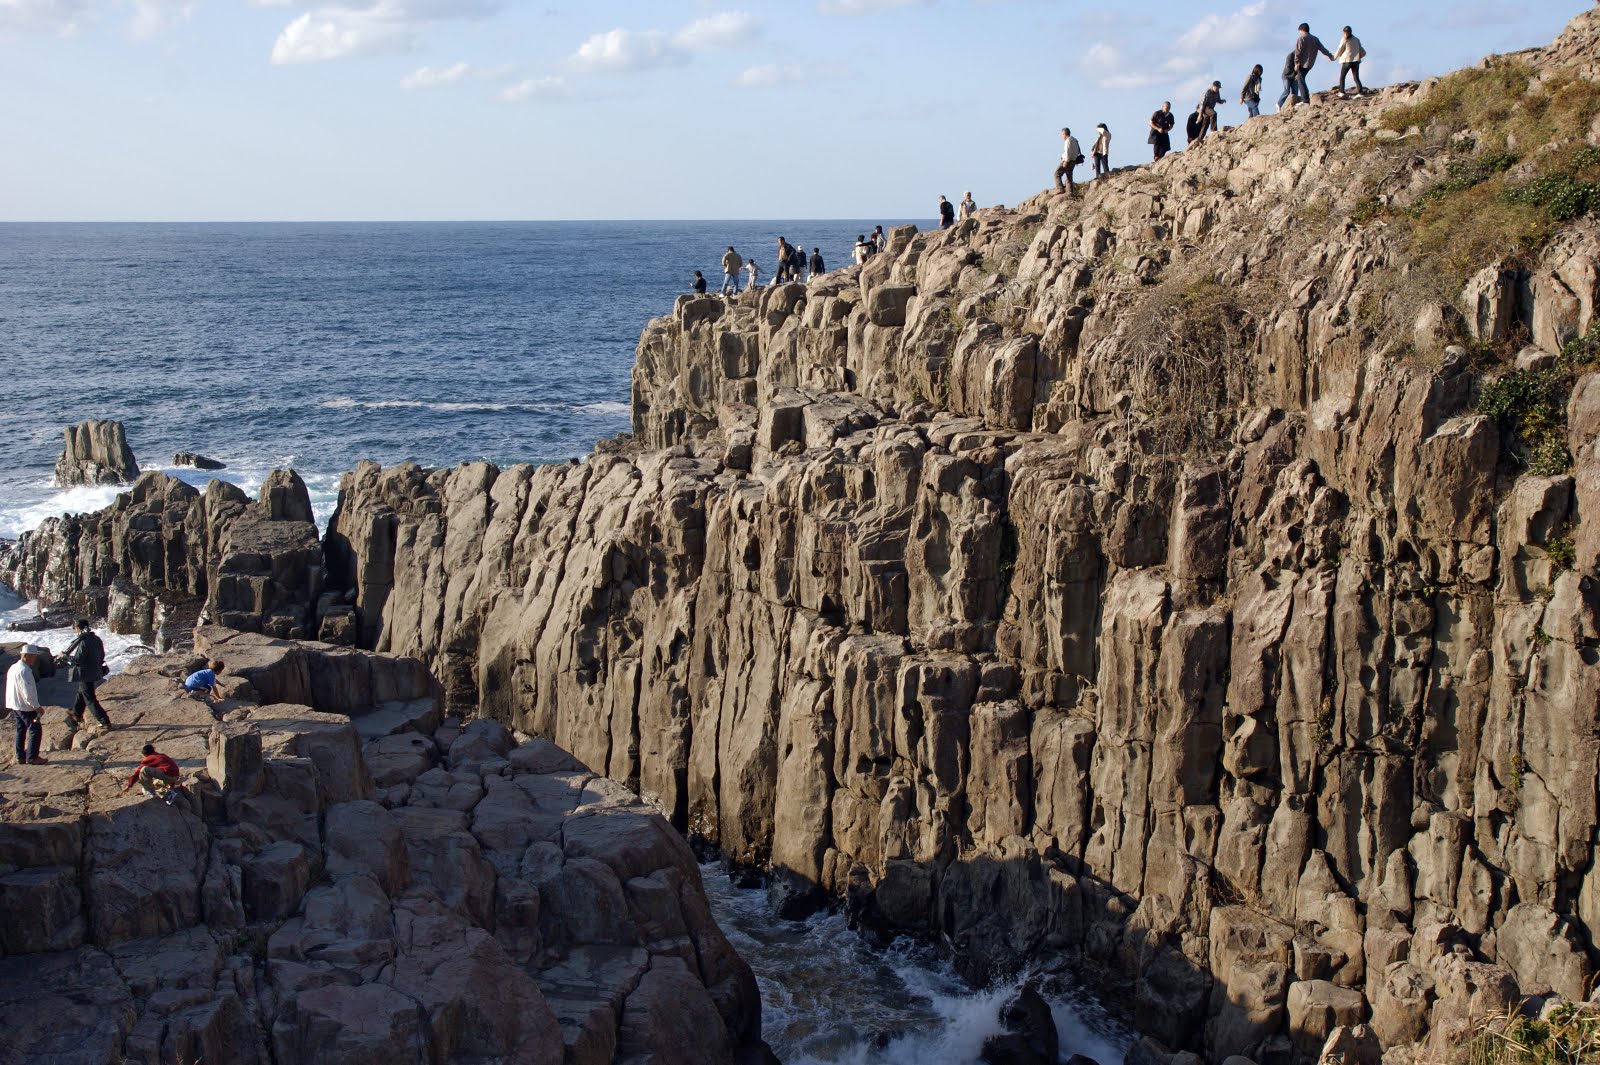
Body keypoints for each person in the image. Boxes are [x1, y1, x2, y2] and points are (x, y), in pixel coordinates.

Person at [64, 619, 111, 733]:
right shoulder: (96, 639)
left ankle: (104, 720)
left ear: (78, 628)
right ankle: (76, 712)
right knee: (82, 691)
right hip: (95, 671)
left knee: (89, 698)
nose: (74, 630)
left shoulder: (83, 642)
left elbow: (78, 659)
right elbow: (102, 655)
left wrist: (65, 656)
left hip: (86, 673)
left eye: (74, 628)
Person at [7, 645, 47, 766]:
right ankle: (32, 757)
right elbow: (27, 692)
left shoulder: (14, 667)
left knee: (21, 729)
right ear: (27, 656)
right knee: (35, 730)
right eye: (34, 656)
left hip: (15, 704)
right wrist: (36, 706)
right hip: (25, 707)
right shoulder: (25, 671)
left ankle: (20, 756)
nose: (35, 659)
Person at [1293, 22, 1335, 104]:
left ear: (1301, 30)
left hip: (1302, 63)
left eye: (1299, 31)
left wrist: (1296, 63)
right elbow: (1323, 49)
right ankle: (1306, 96)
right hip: (1310, 64)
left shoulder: (1301, 38)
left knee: (1300, 80)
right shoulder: (1315, 39)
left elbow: (1298, 52)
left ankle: (1305, 100)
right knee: (1301, 79)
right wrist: (1330, 55)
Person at [1335, 26, 1366, 96]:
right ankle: (1360, 92)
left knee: (1342, 77)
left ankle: (1341, 92)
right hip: (1356, 61)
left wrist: (1334, 57)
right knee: (1356, 77)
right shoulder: (1356, 39)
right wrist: (1359, 56)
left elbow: (1340, 49)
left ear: (1344, 32)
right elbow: (1362, 50)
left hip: (1347, 61)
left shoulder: (1344, 39)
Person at [1054, 128, 1083, 195]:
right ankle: (1070, 191)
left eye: (1062, 134)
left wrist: (1066, 161)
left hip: (1068, 160)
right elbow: (1077, 151)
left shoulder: (1068, 141)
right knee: (1069, 176)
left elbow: (1068, 152)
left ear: (1065, 134)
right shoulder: (1074, 139)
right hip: (1073, 160)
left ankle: (1060, 189)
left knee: (1057, 174)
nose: (1062, 136)